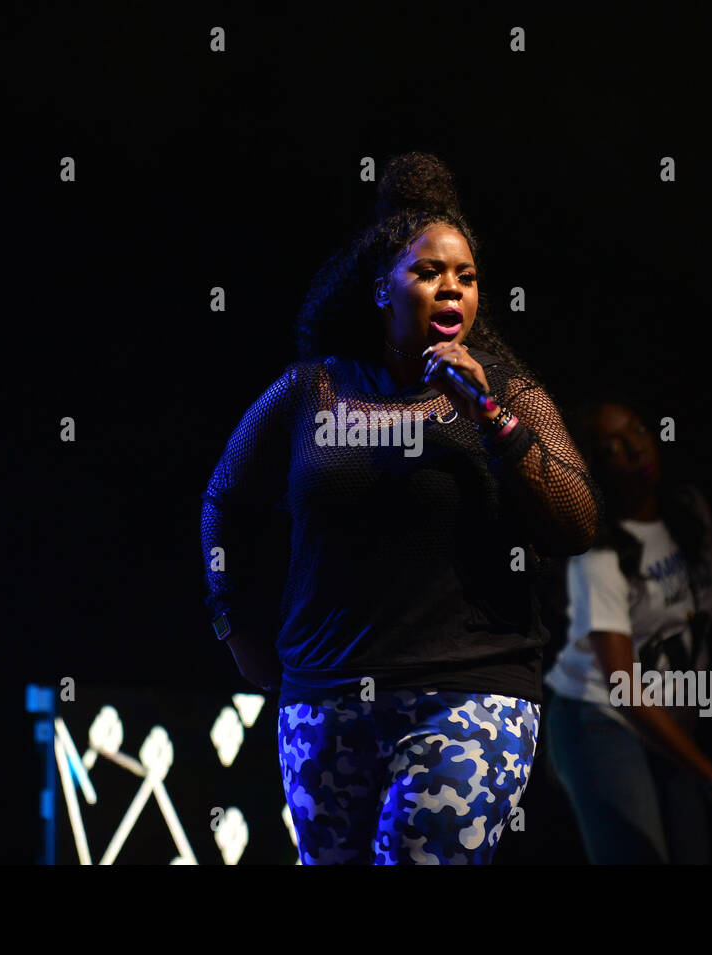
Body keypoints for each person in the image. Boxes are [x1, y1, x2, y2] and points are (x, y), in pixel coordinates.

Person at [199, 152, 600, 864]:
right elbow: (224, 497)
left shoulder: (506, 391)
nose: (452, 287)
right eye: (429, 272)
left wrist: (492, 419)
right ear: (381, 290)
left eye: (466, 276)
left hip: (470, 691)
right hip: (325, 697)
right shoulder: (311, 390)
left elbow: (577, 520)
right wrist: (231, 618)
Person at [543, 399, 712, 863]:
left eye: (638, 432)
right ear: (594, 467)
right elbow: (622, 687)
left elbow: (709, 607)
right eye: (613, 447)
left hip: (668, 721)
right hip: (602, 715)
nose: (636, 450)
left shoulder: (688, 510)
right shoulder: (597, 554)